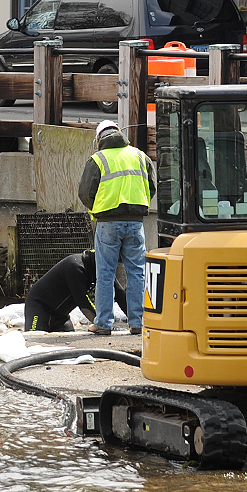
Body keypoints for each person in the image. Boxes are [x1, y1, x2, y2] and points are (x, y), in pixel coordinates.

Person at [77, 119, 153, 336]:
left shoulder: (97, 159)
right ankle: (137, 322)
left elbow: (85, 193)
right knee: (137, 272)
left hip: (107, 224)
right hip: (135, 223)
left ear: (99, 138)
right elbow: (152, 186)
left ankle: (103, 323)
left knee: (106, 273)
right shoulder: (139, 156)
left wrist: (99, 208)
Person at [24, 249, 125, 333]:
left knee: (70, 351)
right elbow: (83, 303)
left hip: (60, 317)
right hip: (39, 308)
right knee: (35, 340)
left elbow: (120, 294)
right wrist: (102, 324)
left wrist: (137, 320)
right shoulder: (75, 267)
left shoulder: (103, 269)